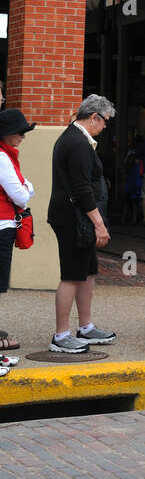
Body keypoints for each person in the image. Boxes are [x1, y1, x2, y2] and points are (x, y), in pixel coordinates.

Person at [46, 95, 117, 354]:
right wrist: (98, 223)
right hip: (72, 218)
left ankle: (85, 327)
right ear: (94, 117)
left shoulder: (77, 139)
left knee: (87, 271)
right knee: (72, 274)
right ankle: (61, 335)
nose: (106, 126)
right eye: (105, 121)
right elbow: (82, 188)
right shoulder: (76, 142)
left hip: (76, 217)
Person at [0, 108, 36, 359]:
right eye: (20, 132)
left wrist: (26, 188)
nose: (23, 136)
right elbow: (21, 196)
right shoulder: (3, 158)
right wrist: (28, 187)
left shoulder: (7, 156)